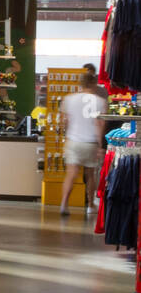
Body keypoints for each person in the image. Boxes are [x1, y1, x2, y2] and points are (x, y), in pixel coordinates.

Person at [59, 65, 107, 217]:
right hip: (90, 142)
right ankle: (90, 205)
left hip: (73, 141)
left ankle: (64, 204)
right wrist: (100, 145)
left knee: (71, 174)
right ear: (93, 84)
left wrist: (67, 134)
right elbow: (99, 125)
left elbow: (64, 121)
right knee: (90, 174)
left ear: (80, 84)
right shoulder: (101, 101)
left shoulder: (69, 99)